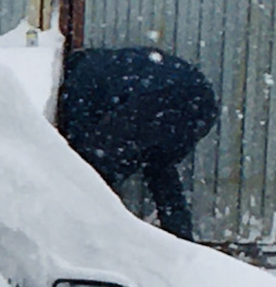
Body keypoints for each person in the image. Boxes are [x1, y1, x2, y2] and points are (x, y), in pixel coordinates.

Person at [57, 46, 219, 241]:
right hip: (203, 102)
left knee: (97, 169)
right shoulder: (113, 62)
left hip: (156, 100)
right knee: (160, 167)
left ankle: (97, 240)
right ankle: (181, 240)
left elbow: (77, 136)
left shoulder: (79, 80)